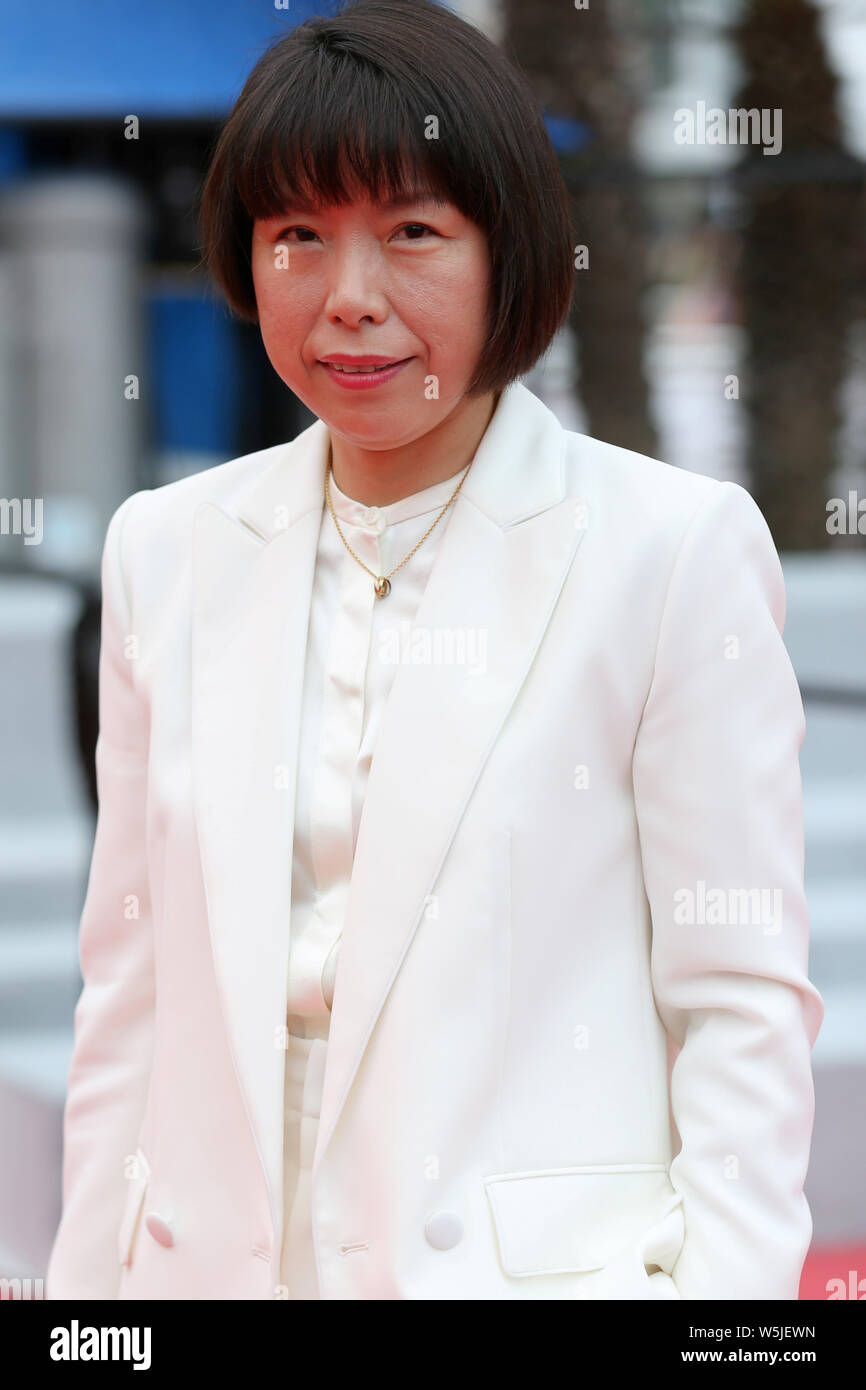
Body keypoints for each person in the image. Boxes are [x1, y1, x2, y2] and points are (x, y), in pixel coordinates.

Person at [45, 0, 823, 1301]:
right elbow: (126, 993)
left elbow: (738, 1003)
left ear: (507, 249)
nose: (348, 299)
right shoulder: (164, 550)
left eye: (411, 231)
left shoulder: (667, 548)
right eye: (298, 235)